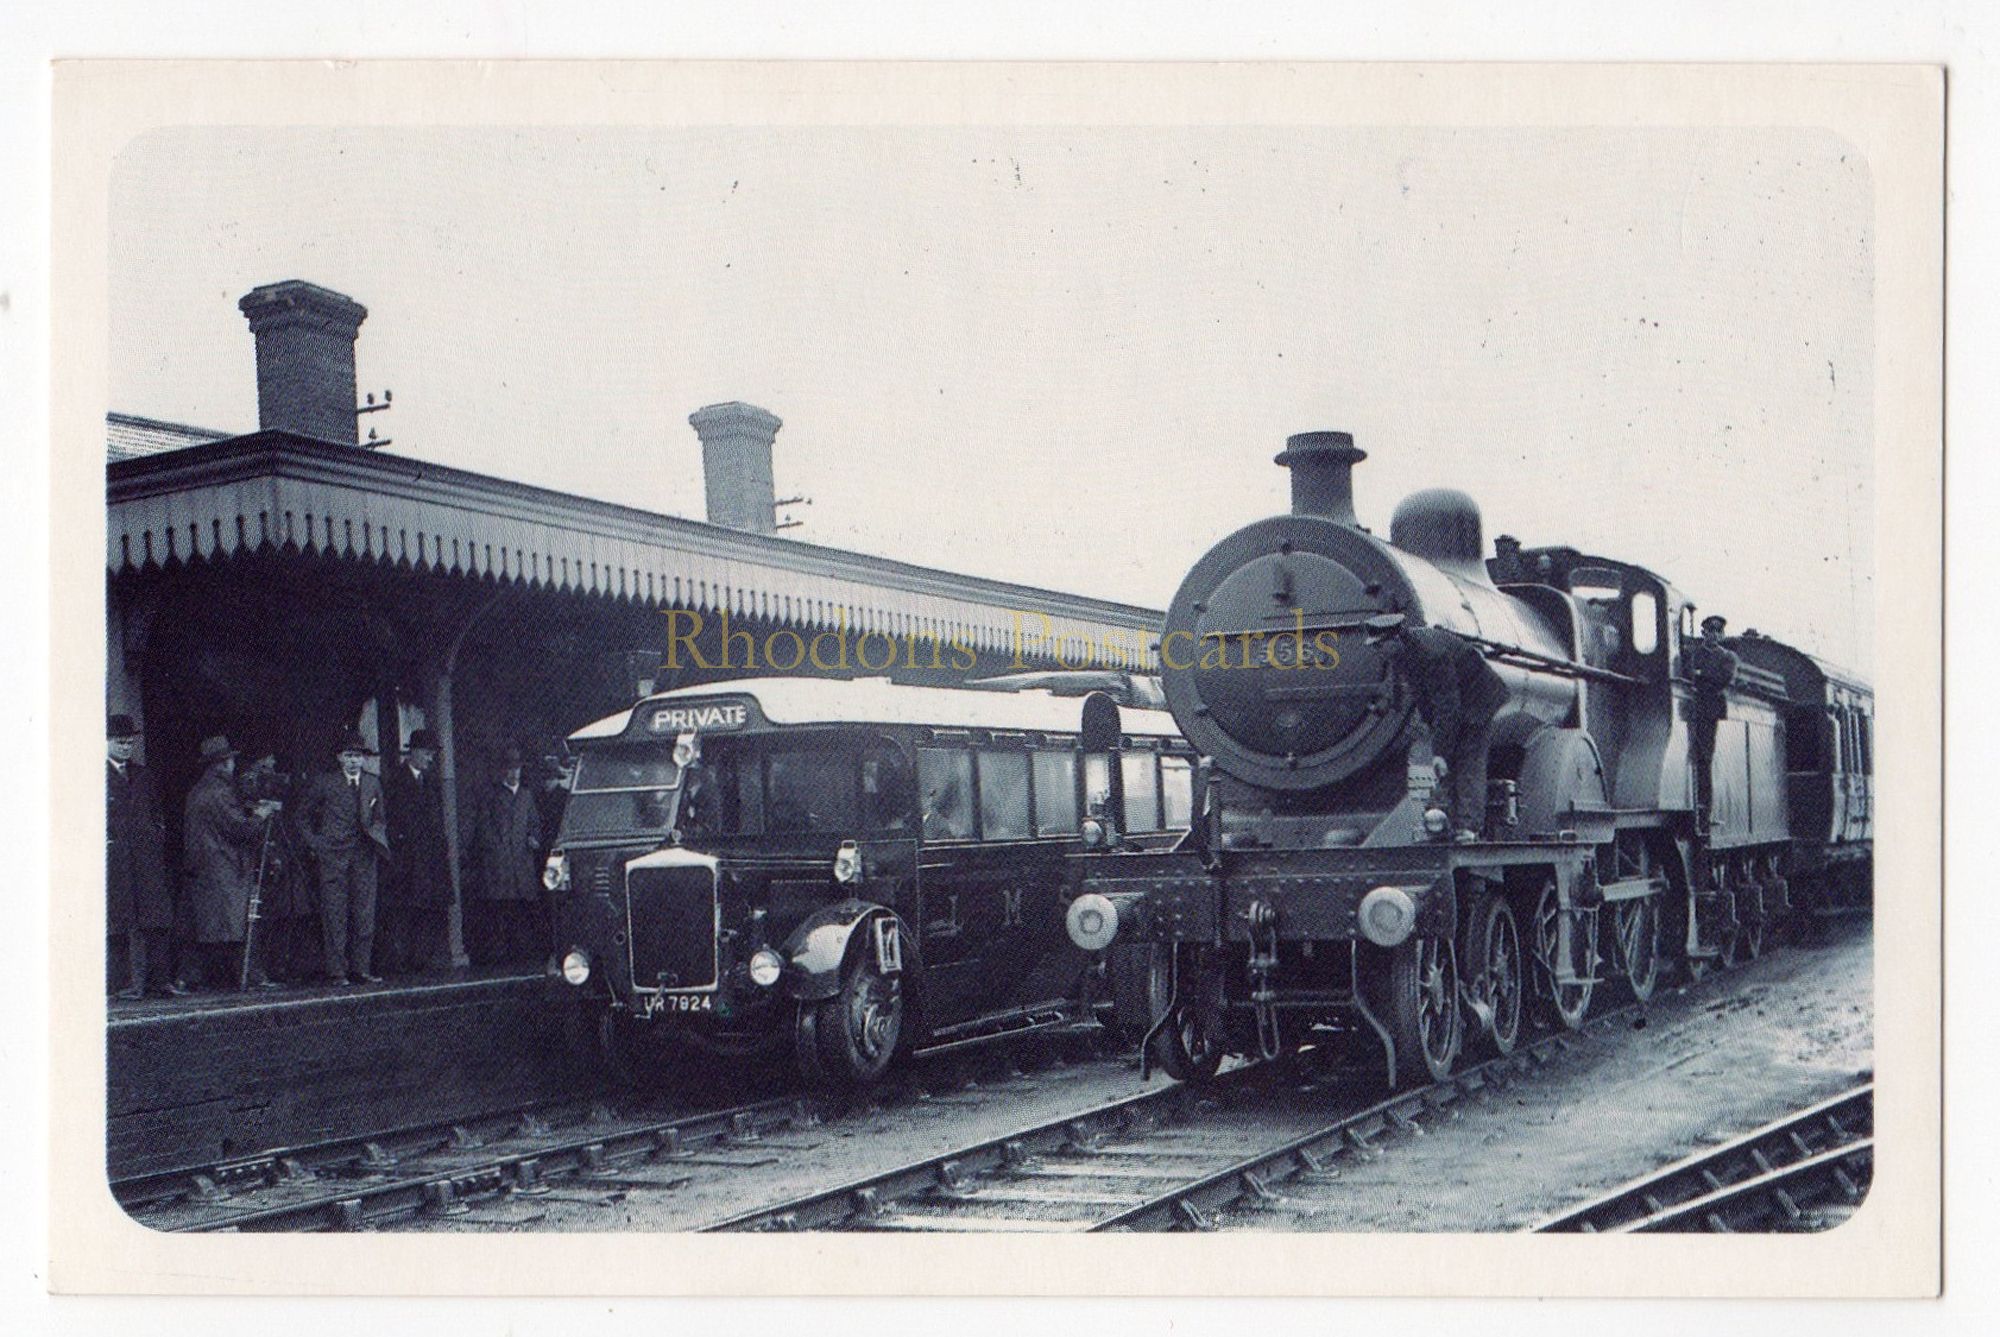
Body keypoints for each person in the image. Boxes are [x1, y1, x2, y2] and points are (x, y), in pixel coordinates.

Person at [1369, 616, 1510, 842]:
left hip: (1478, 701)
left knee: (1467, 762)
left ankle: (1469, 829)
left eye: (1379, 646)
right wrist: (1434, 735)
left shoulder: (1432, 654)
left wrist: (1441, 752)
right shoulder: (1403, 653)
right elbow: (1419, 694)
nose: (1378, 652)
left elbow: (1448, 706)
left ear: (1394, 640)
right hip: (1455, 704)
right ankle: (1445, 823)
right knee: (1446, 766)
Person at [181, 735, 284, 989]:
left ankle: (197, 978)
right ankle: (251, 977)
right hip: (225, 866)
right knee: (241, 922)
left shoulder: (199, 790)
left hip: (208, 866)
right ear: (225, 762)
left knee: (213, 926)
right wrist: (261, 815)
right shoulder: (221, 792)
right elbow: (240, 829)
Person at [297, 729, 391, 985]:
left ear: (364, 758)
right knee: (334, 915)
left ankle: (361, 969)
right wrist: (317, 844)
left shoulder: (373, 783)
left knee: (364, 913)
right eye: (349, 755)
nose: (353, 761)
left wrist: (375, 836)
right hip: (333, 858)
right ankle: (337, 971)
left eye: (358, 756)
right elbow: (302, 816)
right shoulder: (325, 783)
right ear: (339, 757)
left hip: (364, 857)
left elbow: (381, 818)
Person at [107, 714, 182, 999]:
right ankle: (121, 984)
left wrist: (155, 837)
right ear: (106, 742)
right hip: (115, 860)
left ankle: (158, 981)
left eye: (129, 742)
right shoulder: (93, 776)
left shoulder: (143, 775)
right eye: (120, 742)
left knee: (156, 917)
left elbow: (157, 813)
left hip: (146, 858)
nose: (126, 747)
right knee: (117, 921)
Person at [381, 729, 452, 975]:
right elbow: (390, 820)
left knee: (428, 909)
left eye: (432, 754)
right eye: (426, 753)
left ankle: (423, 960)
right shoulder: (395, 781)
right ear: (413, 752)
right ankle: (403, 962)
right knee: (406, 910)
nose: (430, 758)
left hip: (430, 858)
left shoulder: (431, 782)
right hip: (407, 859)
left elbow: (437, 821)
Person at [473, 744, 544, 967]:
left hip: (522, 865)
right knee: (500, 912)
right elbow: (483, 827)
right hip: (499, 866)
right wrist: (496, 850)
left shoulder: (526, 796)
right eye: (510, 769)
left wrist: (534, 838)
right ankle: (500, 958)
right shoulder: (492, 796)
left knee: (522, 912)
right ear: (503, 771)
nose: (514, 773)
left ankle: (522, 955)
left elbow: (535, 824)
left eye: (517, 769)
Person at [1684, 613, 1741, 831]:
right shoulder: (1693, 654)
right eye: (1710, 631)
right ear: (1704, 633)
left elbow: (1722, 679)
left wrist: (1700, 675)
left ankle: (1705, 811)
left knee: (1704, 759)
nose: (1714, 635)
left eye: (1718, 631)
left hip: (1709, 711)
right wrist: (1703, 675)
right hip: (1690, 709)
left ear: (1722, 634)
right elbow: (1689, 673)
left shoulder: (1728, 657)